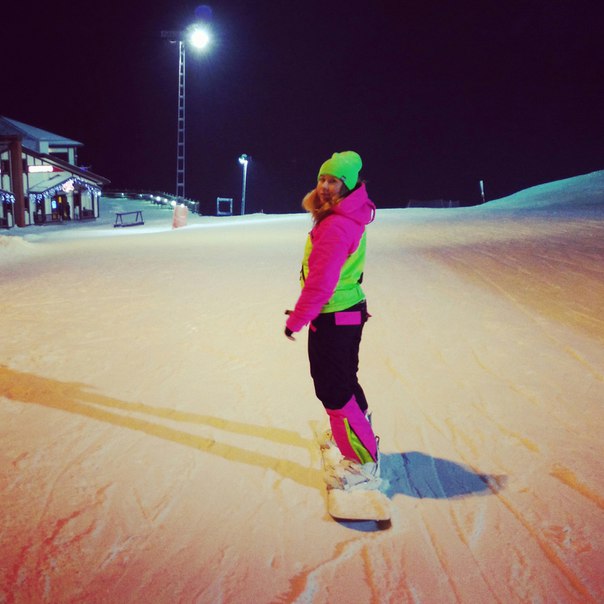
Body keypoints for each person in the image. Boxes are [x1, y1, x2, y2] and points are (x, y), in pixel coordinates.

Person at [284, 151, 380, 490]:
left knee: (333, 390)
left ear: (347, 186)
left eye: (334, 181)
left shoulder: (336, 224)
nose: (325, 186)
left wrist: (298, 319)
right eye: (322, 179)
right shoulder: (343, 215)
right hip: (345, 310)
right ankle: (355, 429)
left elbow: (321, 283)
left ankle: (363, 461)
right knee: (343, 381)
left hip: (335, 314)